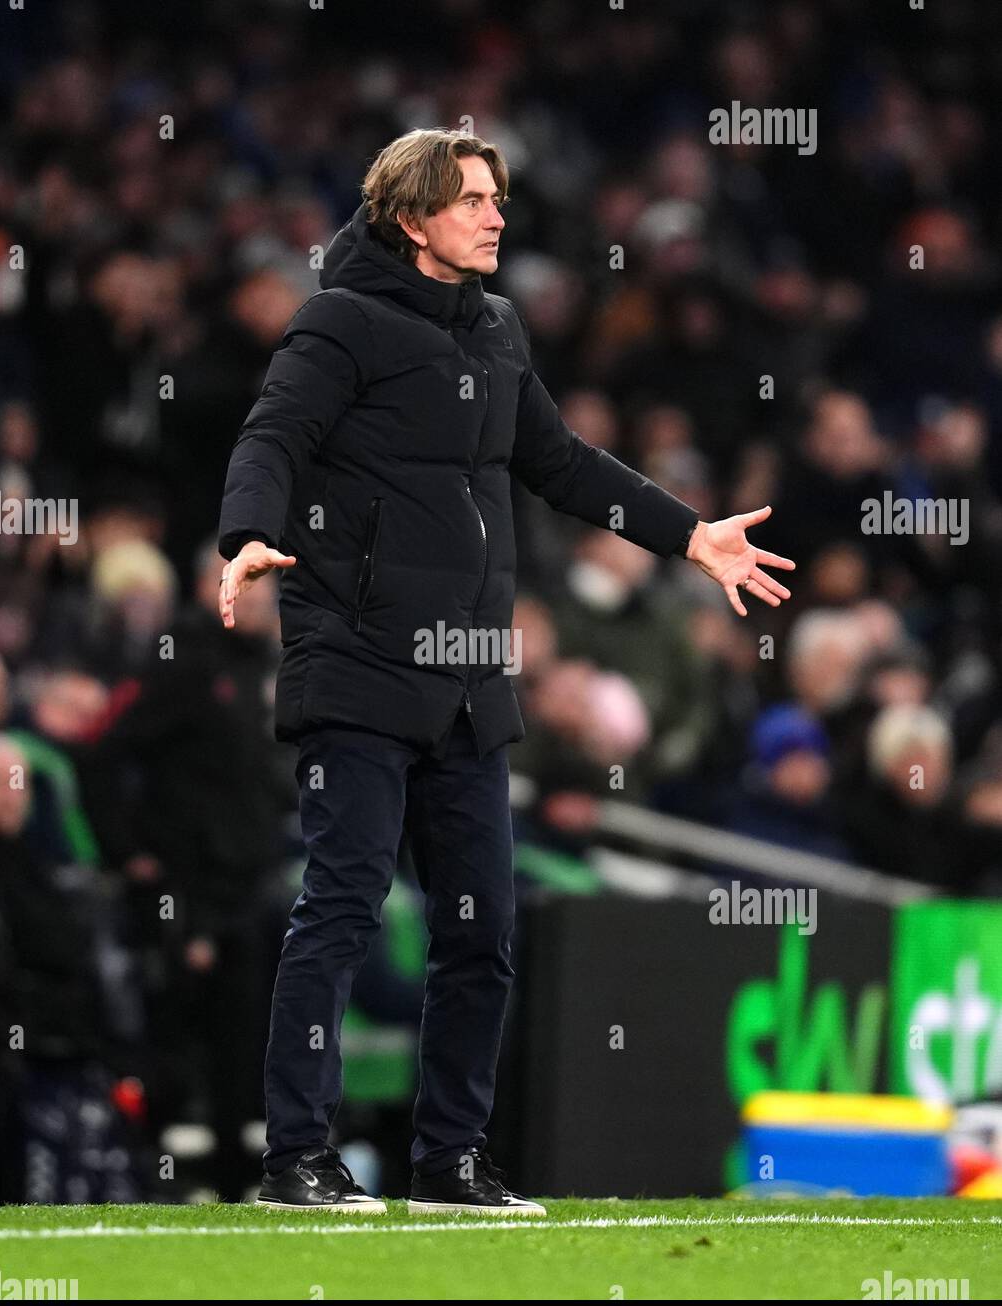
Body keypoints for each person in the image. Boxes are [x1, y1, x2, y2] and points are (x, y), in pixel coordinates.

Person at [217, 128, 795, 1215]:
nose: (495, 216)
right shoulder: (338, 320)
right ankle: (296, 1156)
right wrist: (244, 534)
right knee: (338, 909)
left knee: (481, 928)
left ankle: (450, 1161)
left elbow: (562, 462)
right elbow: (270, 440)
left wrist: (688, 536)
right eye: (472, 199)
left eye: (496, 197)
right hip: (356, 665)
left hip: (472, 683)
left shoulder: (493, 329)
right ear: (410, 218)